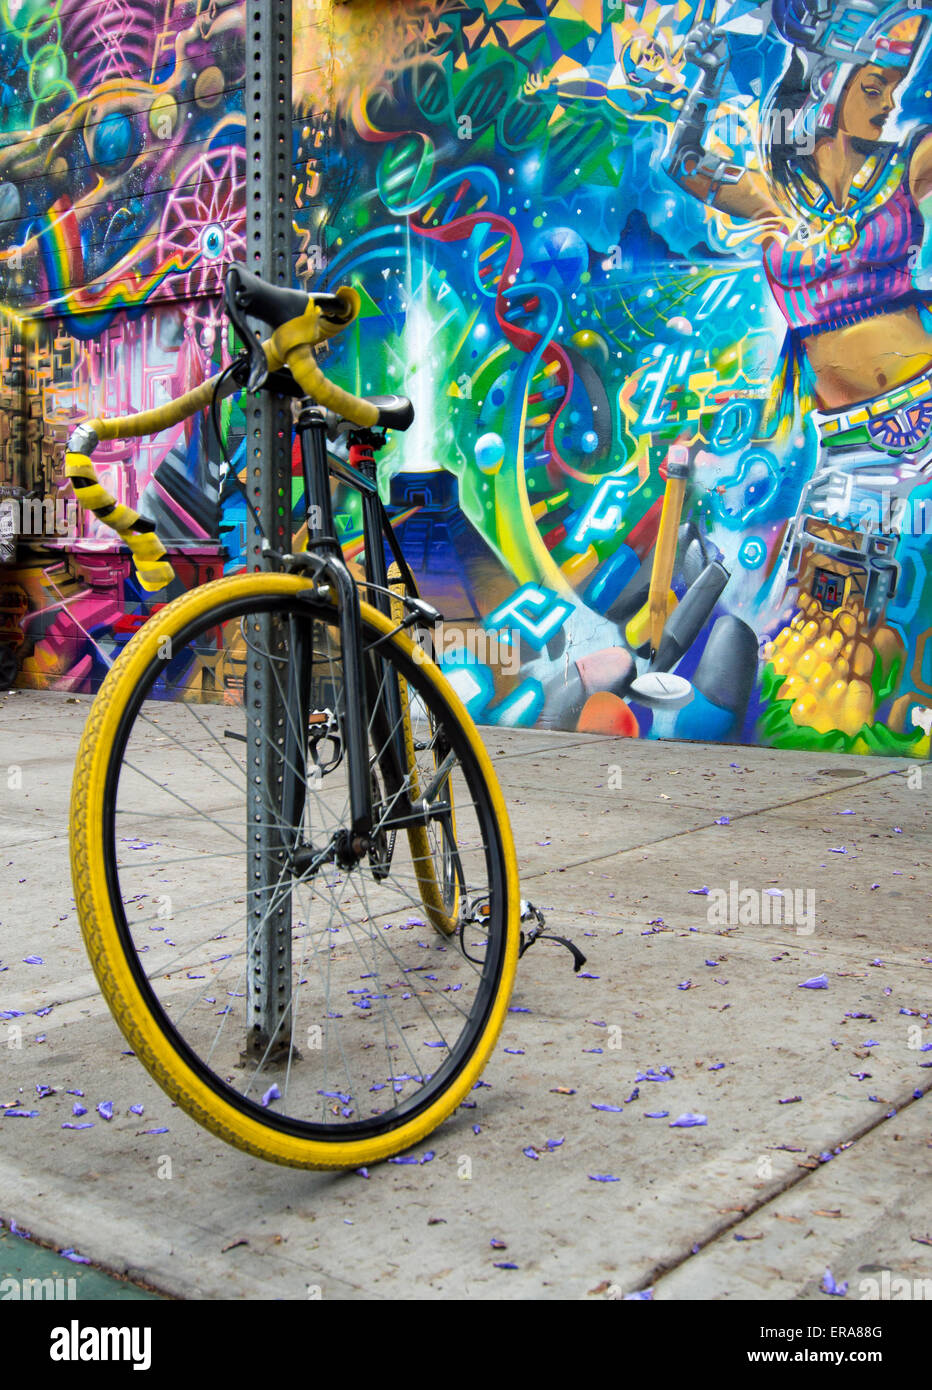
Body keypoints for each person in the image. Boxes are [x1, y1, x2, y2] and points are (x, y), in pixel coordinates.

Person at [662, 2, 932, 737]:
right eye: (873, 86)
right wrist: (708, 74)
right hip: (849, 456)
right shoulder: (772, 199)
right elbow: (682, 162)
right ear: (828, 85)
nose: (888, 102)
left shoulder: (907, 164)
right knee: (825, 651)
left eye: (895, 87)